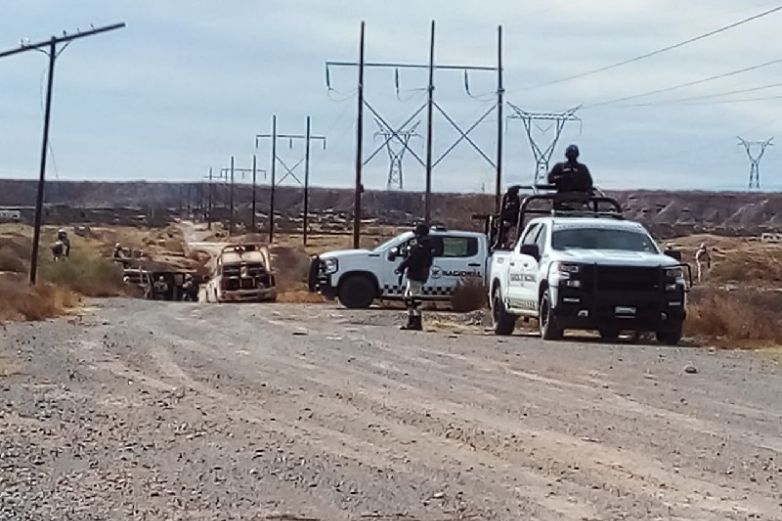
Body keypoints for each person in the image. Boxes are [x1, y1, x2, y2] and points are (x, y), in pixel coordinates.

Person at [394, 223, 435, 331]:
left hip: (417, 273)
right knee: (408, 297)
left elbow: (413, 258)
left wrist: (401, 266)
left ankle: (416, 322)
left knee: (414, 297)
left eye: (417, 233)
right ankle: (411, 320)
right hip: (415, 273)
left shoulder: (423, 245)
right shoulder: (424, 245)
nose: (415, 235)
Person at [497, 185, 521, 250]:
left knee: (508, 231)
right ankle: (503, 243)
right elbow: (503, 210)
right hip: (507, 220)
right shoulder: (507, 198)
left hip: (512, 221)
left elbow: (516, 210)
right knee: (502, 230)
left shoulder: (515, 199)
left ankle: (507, 243)